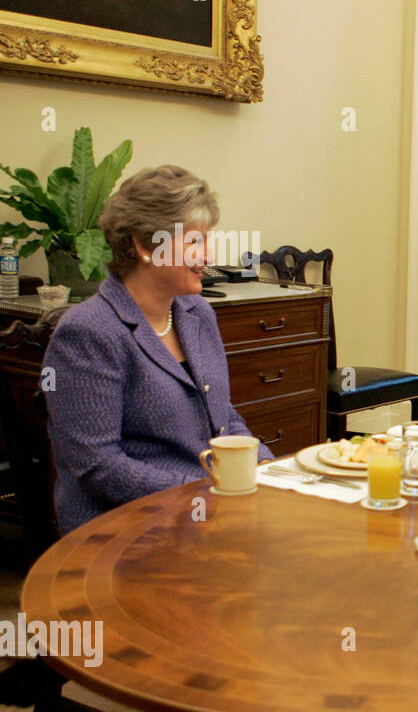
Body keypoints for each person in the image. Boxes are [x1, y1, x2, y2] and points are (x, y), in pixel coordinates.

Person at [43, 166, 273, 533]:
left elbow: (223, 417)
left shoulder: (198, 313)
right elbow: (97, 465)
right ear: (144, 245)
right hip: (124, 534)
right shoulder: (88, 332)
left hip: (207, 515)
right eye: (194, 242)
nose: (208, 255)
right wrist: (205, 493)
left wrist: (269, 470)